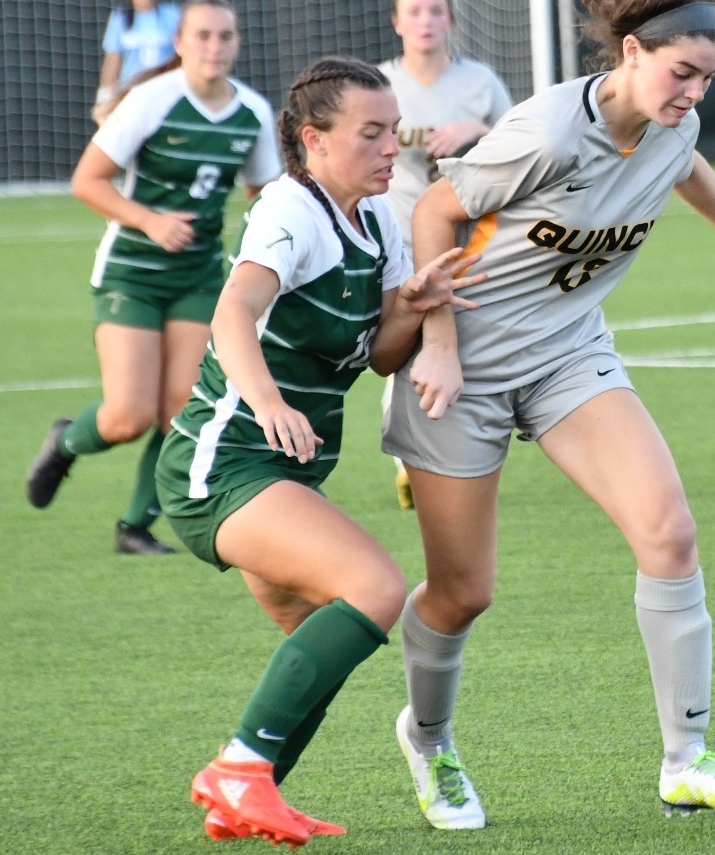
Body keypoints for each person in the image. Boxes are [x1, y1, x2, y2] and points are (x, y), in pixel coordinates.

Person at [385, 0, 715, 829]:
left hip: (569, 354)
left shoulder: (675, 124)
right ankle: (428, 741)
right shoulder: (545, 131)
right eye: (683, 73)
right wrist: (439, 344)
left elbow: (683, 161)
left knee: (670, 532)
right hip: (465, 360)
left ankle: (686, 759)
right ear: (632, 52)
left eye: (709, 79)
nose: (695, 95)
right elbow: (434, 208)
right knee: (464, 591)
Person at [156, 56, 483, 845]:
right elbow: (235, 310)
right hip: (222, 465)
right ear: (314, 140)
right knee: (375, 587)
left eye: (392, 130)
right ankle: (239, 770)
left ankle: (246, 795)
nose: (388, 147)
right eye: (370, 133)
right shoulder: (290, 209)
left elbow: (378, 352)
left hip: (279, 474)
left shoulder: (375, 221)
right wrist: (268, 402)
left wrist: (414, 303)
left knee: (318, 642)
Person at [26, 0, 279, 555]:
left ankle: (134, 526)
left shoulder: (253, 113)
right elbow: (88, 180)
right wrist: (151, 221)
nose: (215, 46)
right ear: (179, 44)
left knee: (179, 410)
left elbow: (265, 198)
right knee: (127, 416)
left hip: (199, 278)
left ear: (238, 42)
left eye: (226, 36)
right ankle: (65, 443)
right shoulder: (151, 100)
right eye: (204, 35)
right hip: (131, 275)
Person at [375, 0, 512, 507]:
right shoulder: (382, 83)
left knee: (460, 345)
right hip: (394, 237)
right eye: (414, 11)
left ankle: (444, 452)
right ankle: (409, 459)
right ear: (397, 23)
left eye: (436, 10)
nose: (426, 20)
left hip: (460, 240)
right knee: (403, 344)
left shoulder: (478, 82)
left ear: (450, 20)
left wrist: (475, 128)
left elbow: (522, 146)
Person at [95, 0, 183, 124]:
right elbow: (113, 60)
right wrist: (105, 96)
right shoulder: (120, 19)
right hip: (133, 91)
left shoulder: (173, 15)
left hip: (166, 90)